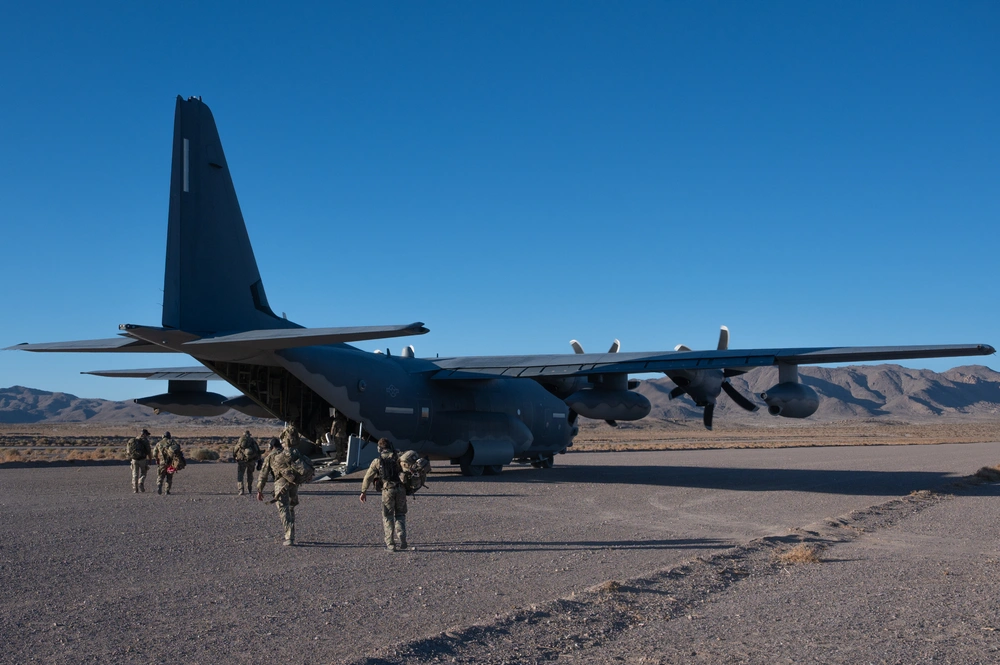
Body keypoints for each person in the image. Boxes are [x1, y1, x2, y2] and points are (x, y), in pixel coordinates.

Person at [359, 437, 409, 552]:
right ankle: (402, 537)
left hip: (387, 490)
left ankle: (390, 545)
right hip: (401, 489)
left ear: (379, 448)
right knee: (400, 515)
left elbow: (368, 477)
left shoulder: (377, 461)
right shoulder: (399, 458)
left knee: (388, 517)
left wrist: (363, 491)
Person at [256, 438, 303, 546]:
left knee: (283, 509)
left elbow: (263, 475)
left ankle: (289, 537)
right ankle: (291, 533)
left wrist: (259, 490)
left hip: (280, 485)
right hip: (293, 484)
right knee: (291, 508)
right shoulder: (287, 454)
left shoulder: (270, 457)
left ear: (271, 446)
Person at [152, 431, 183, 495]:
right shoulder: (173, 442)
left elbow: (154, 453)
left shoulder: (159, 443)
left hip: (162, 462)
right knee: (169, 477)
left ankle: (159, 484)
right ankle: (167, 490)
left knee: (161, 475)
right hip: (171, 463)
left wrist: (157, 459)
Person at [232, 429, 261, 495]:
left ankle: (241, 489)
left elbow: (235, 449)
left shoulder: (240, 440)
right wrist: (258, 459)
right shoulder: (252, 441)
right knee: (250, 474)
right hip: (251, 461)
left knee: (240, 475)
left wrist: (234, 456)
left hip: (242, 460)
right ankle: (249, 488)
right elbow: (257, 450)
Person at [125, 428, 153, 493]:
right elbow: (149, 451)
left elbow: (128, 451)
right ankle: (141, 482)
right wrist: (150, 460)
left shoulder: (133, 440)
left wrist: (131, 458)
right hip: (142, 459)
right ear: (145, 434)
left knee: (135, 473)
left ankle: (135, 489)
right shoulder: (145, 441)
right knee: (144, 472)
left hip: (134, 459)